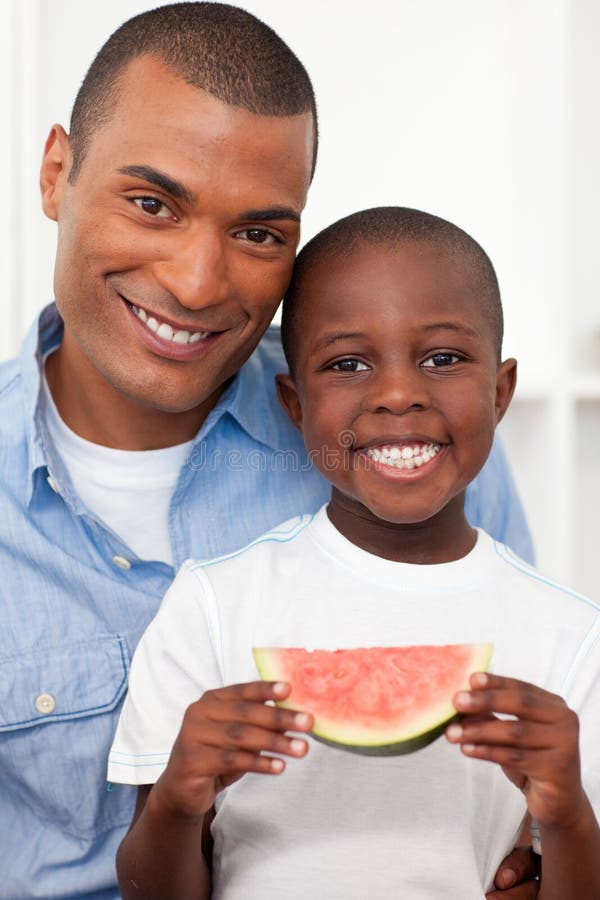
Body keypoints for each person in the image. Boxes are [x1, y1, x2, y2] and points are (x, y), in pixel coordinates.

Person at [0, 4, 535, 898]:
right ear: (57, 172)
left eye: (257, 233)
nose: (198, 283)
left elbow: (523, 758)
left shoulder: (408, 437)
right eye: (151, 204)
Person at [108, 206, 600, 900]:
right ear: (296, 404)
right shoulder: (215, 604)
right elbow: (147, 891)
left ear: (499, 393)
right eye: (347, 364)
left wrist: (570, 819)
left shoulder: (571, 639)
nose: (398, 394)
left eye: (442, 359)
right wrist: (176, 802)